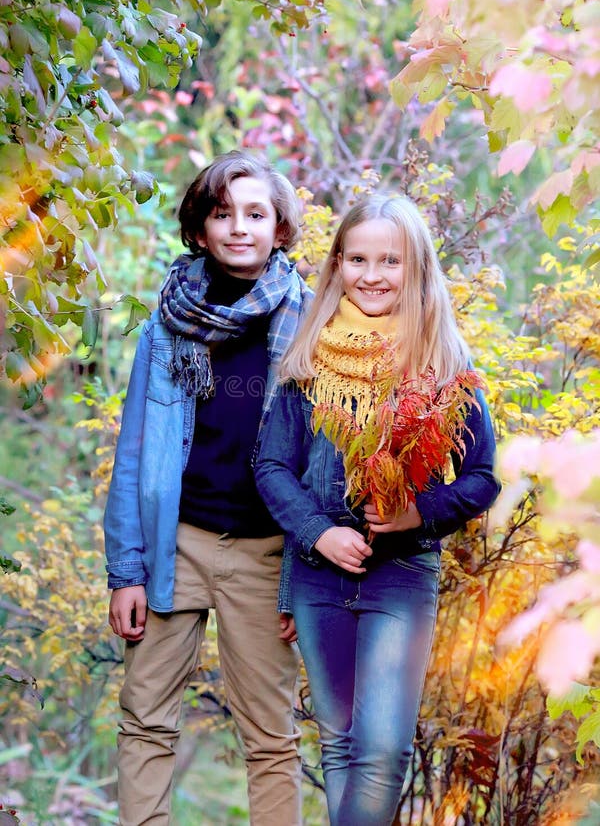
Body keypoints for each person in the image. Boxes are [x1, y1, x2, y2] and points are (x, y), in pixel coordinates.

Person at [254, 193, 501, 826]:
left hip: (401, 576)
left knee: (383, 750)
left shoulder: (445, 363)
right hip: (319, 576)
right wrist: (318, 534)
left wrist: (419, 512)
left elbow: (481, 480)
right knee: (338, 745)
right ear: (336, 264)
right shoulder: (308, 361)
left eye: (389, 260)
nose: (371, 274)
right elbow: (272, 467)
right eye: (356, 258)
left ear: (416, 267)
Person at [103, 150, 313, 826]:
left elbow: (326, 462)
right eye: (222, 214)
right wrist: (125, 572)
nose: (239, 228)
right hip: (178, 541)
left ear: (280, 229)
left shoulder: (312, 324)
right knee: (145, 719)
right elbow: (134, 453)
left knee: (272, 737)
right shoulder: (166, 324)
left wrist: (301, 582)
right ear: (200, 229)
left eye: (256, 214)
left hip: (266, 553)